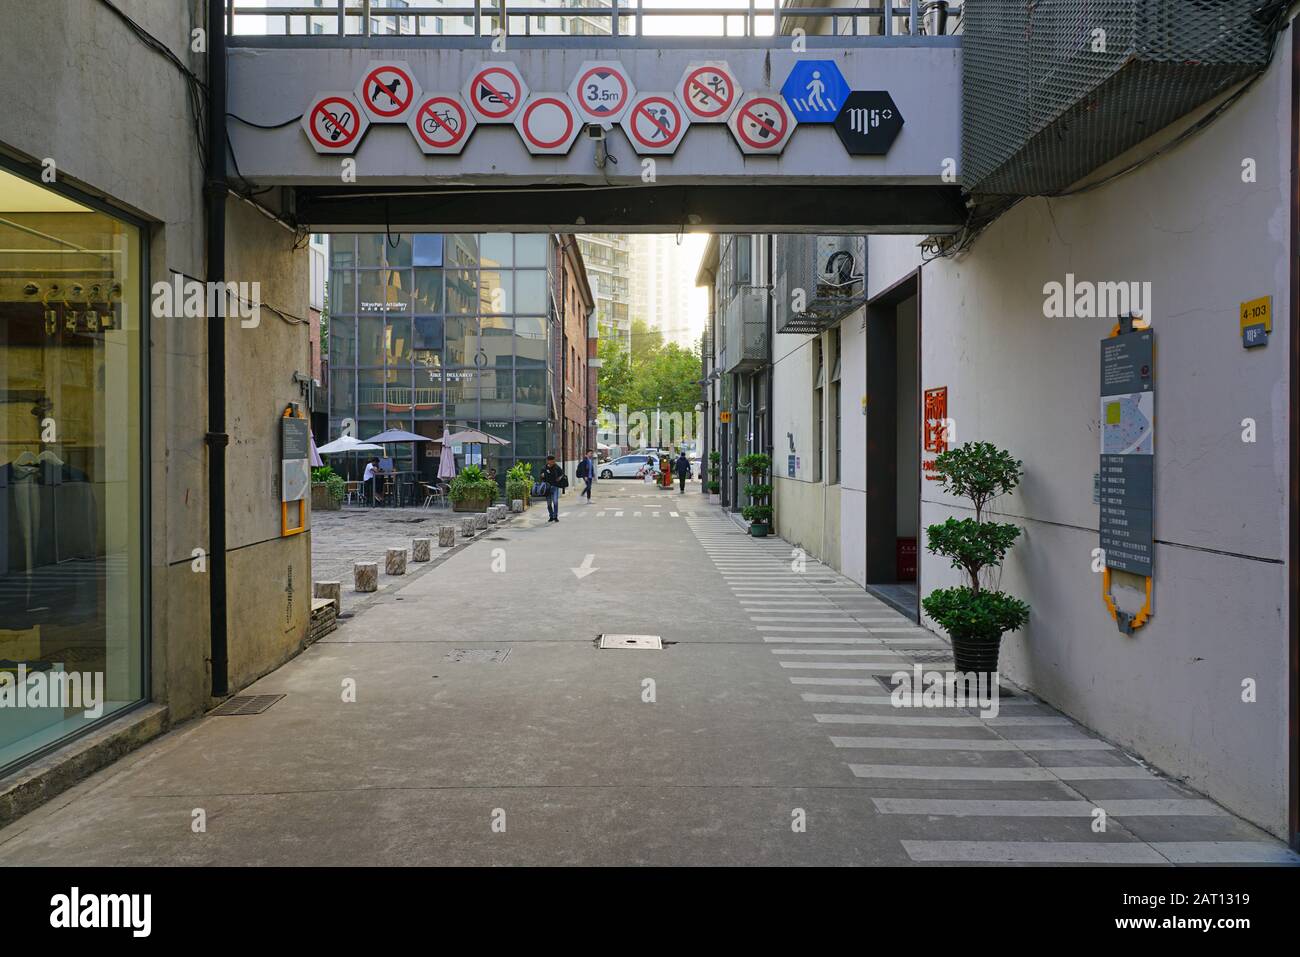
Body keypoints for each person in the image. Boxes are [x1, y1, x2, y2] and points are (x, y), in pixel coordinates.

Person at [540, 454, 566, 523]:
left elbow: (562, 474)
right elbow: (541, 477)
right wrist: (542, 476)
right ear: (548, 461)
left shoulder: (556, 467)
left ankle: (555, 516)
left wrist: (559, 478)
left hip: (555, 487)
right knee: (548, 504)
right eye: (552, 461)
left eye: (554, 461)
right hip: (547, 488)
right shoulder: (544, 468)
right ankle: (551, 516)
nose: (553, 462)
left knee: (555, 502)